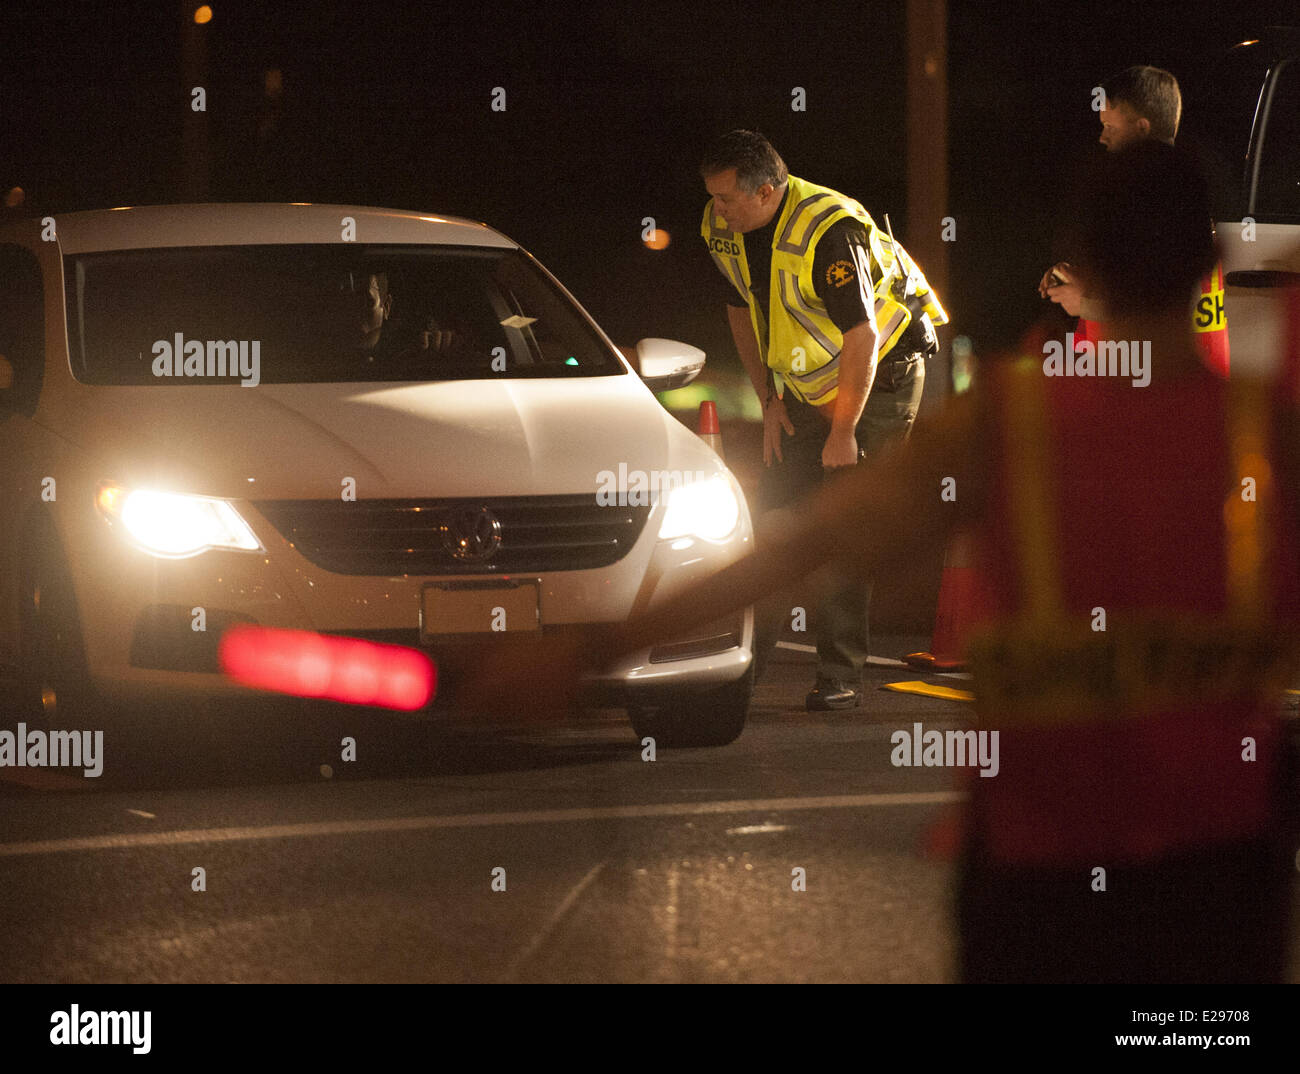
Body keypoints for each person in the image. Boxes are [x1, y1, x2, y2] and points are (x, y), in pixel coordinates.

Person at [465, 141, 1300, 982]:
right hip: (1220, 865)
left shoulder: (1005, 423)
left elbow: (803, 544)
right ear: (1210, 266)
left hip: (1041, 862)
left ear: (1090, 264)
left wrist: (589, 653)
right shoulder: (1269, 435)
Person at [699, 129, 948, 710]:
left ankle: (839, 675)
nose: (718, 210)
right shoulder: (722, 226)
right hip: (809, 384)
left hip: (882, 374)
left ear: (766, 191)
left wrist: (842, 431)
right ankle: (743, 672)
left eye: (728, 198)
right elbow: (740, 309)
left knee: (845, 521)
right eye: (712, 197)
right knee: (772, 522)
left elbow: (862, 336)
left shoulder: (829, 231)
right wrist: (768, 400)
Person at [1040, 65, 1230, 376]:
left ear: (1142, 128)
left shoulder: (1152, 199)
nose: (1102, 137)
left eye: (1110, 127)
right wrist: (1083, 280)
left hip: (1151, 380)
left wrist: (1085, 303)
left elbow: (1159, 309)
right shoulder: (1185, 193)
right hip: (1193, 380)